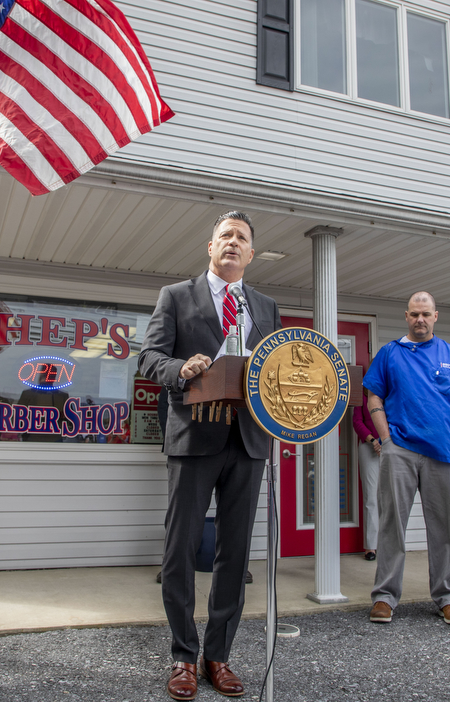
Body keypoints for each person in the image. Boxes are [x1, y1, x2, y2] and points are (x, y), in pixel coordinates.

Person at [138, 211, 281, 700]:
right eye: (226, 236)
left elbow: (275, 371)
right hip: (194, 437)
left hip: (248, 441)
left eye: (242, 238)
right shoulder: (176, 297)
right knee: (179, 549)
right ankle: (183, 655)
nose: (233, 244)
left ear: (251, 253)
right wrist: (183, 368)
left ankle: (217, 656)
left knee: (235, 554)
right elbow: (149, 358)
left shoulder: (264, 306)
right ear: (210, 246)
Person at [364, 292, 450, 626]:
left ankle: (448, 597)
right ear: (406, 316)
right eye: (415, 314)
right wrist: (386, 439)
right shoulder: (390, 353)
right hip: (400, 450)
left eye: (426, 314)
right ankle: (385, 597)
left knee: (445, 527)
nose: (420, 319)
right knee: (392, 525)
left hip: (443, 453)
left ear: (435, 316)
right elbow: (374, 396)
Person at [352, 385, 381, 561]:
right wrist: (372, 440)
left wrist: (384, 441)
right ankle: (371, 547)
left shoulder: (390, 394)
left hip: (390, 446)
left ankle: (388, 545)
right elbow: (357, 422)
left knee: (390, 499)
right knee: (371, 498)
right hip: (368, 447)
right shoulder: (361, 398)